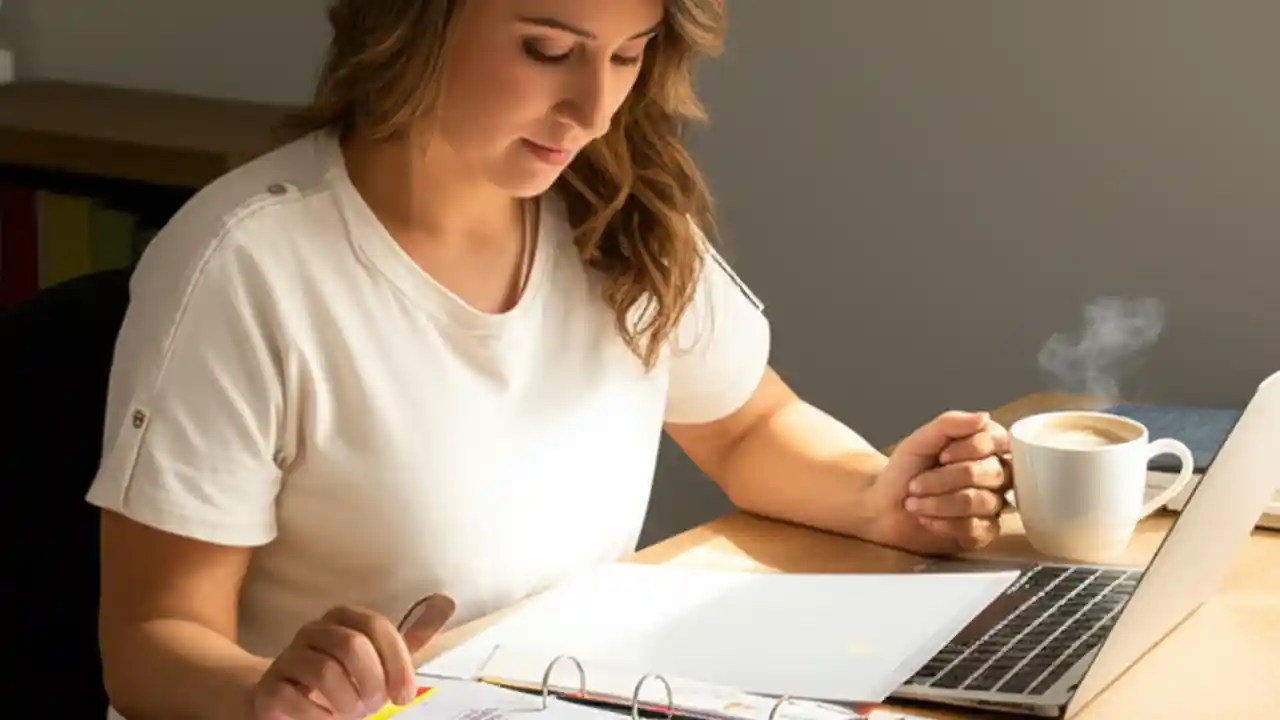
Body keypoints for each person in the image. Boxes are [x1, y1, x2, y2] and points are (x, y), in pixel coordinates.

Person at [87, 1, 1014, 718]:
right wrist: (263, 697)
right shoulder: (248, 266)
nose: (594, 108)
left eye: (627, 54)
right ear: (415, 23)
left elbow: (747, 424)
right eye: (546, 50)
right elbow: (151, 638)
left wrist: (877, 498)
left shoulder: (618, 216)